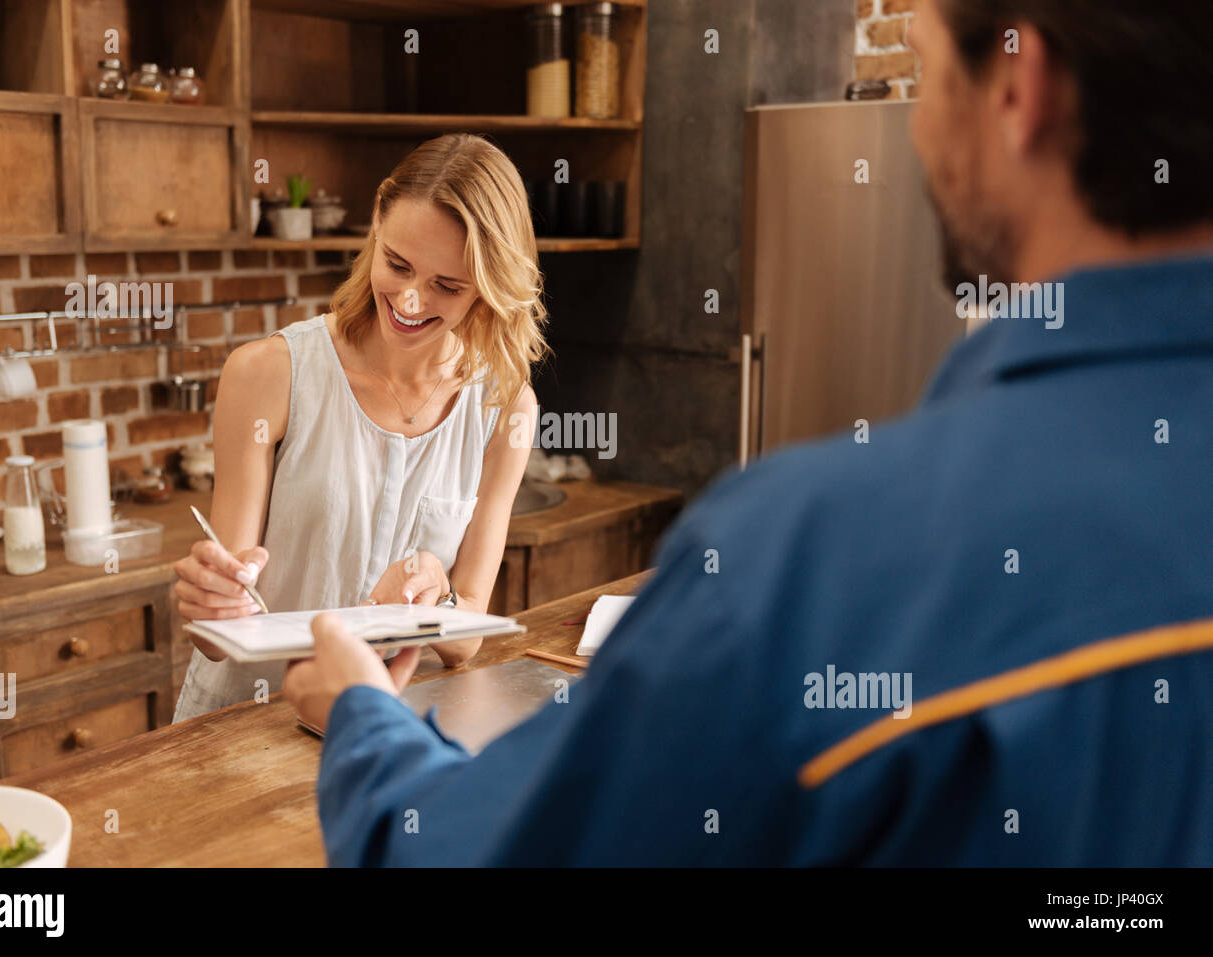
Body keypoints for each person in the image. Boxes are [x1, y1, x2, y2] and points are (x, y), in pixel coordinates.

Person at [285, 0, 1213, 864]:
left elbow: (480, 849)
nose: (920, 130)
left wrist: (365, 720)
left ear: (1019, 92)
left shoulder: (812, 560)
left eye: (926, 72)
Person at [172, 134, 546, 721]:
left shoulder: (504, 409)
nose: (411, 299)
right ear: (376, 222)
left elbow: (465, 637)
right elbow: (214, 634)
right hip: (243, 725)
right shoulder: (268, 374)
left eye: (448, 286)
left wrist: (437, 599)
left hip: (385, 730)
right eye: (397, 264)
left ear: (491, 289)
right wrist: (212, 601)